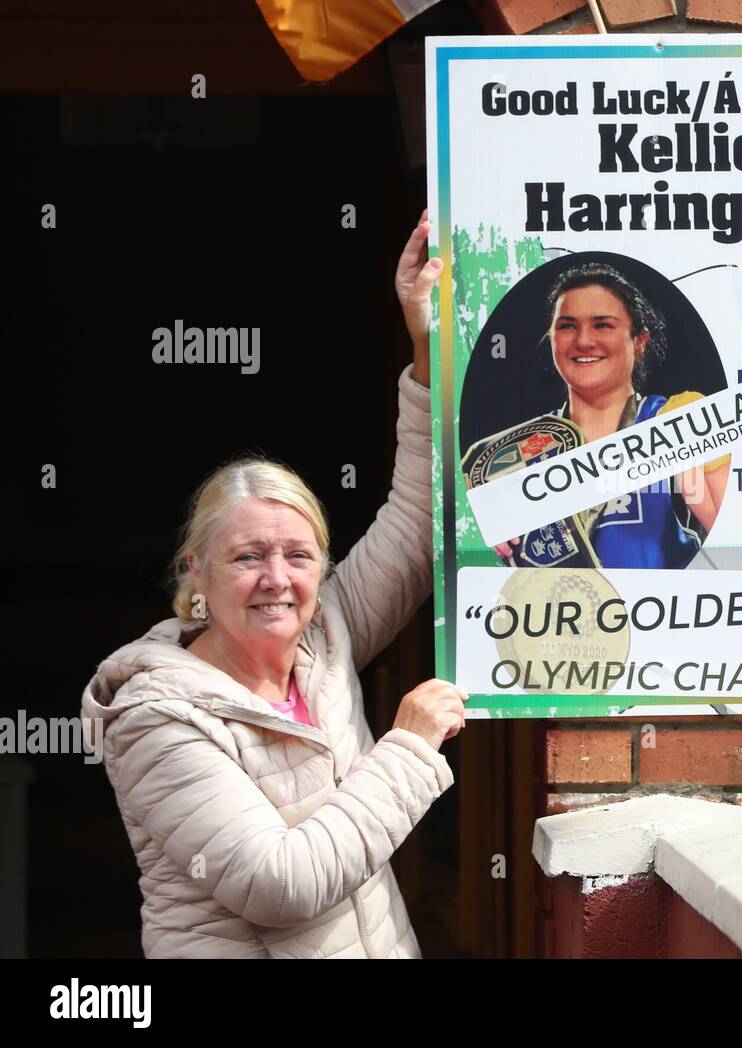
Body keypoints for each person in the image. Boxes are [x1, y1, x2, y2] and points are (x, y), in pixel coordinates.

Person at [80, 212, 465, 958]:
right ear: (195, 574)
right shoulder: (155, 715)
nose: (278, 580)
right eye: (248, 556)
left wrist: (425, 345)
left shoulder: (323, 633)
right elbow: (279, 884)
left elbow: (417, 521)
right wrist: (411, 749)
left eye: (299, 555)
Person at [483, 261, 727, 569]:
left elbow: (739, 536)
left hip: (662, 613)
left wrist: (693, 480)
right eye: (567, 325)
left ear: (640, 341)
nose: (583, 340)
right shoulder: (524, 449)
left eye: (603, 325)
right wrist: (493, 537)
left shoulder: (679, 417)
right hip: (566, 614)